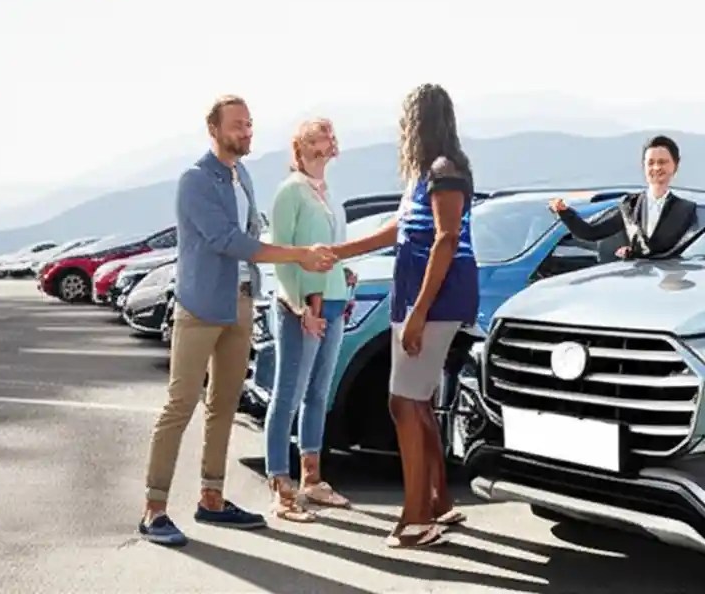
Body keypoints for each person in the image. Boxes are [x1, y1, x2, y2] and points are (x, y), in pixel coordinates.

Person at [138, 95, 337, 547]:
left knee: (224, 404)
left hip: (241, 304)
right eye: (237, 126)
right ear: (214, 129)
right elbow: (227, 241)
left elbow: (253, 232)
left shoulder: (242, 175)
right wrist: (297, 255)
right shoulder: (195, 180)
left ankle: (212, 499)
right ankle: (153, 509)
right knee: (180, 404)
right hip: (200, 306)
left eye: (249, 125)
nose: (246, 132)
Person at [330, 83, 475, 548]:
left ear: (420, 122)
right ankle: (437, 503)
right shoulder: (422, 176)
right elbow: (399, 230)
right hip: (414, 293)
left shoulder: (444, 170)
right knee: (415, 400)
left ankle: (418, 520)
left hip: (434, 297)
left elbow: (446, 240)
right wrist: (339, 251)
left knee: (404, 402)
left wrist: (417, 314)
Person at [264, 117, 353, 521]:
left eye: (330, 136)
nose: (328, 143)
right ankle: (280, 486)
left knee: (318, 394)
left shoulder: (328, 193)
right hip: (302, 307)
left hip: (333, 301)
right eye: (319, 138)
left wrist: (344, 276)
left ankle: (312, 479)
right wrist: (299, 307)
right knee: (288, 395)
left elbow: (330, 250)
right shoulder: (290, 193)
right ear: (300, 147)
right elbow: (282, 254)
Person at [548, 134, 699, 258]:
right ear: (643, 166)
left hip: (670, 283)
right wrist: (564, 212)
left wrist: (632, 252)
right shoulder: (629, 206)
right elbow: (591, 232)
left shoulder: (686, 209)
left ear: (675, 166)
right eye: (650, 163)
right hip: (637, 280)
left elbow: (682, 249)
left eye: (662, 162)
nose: (656, 167)